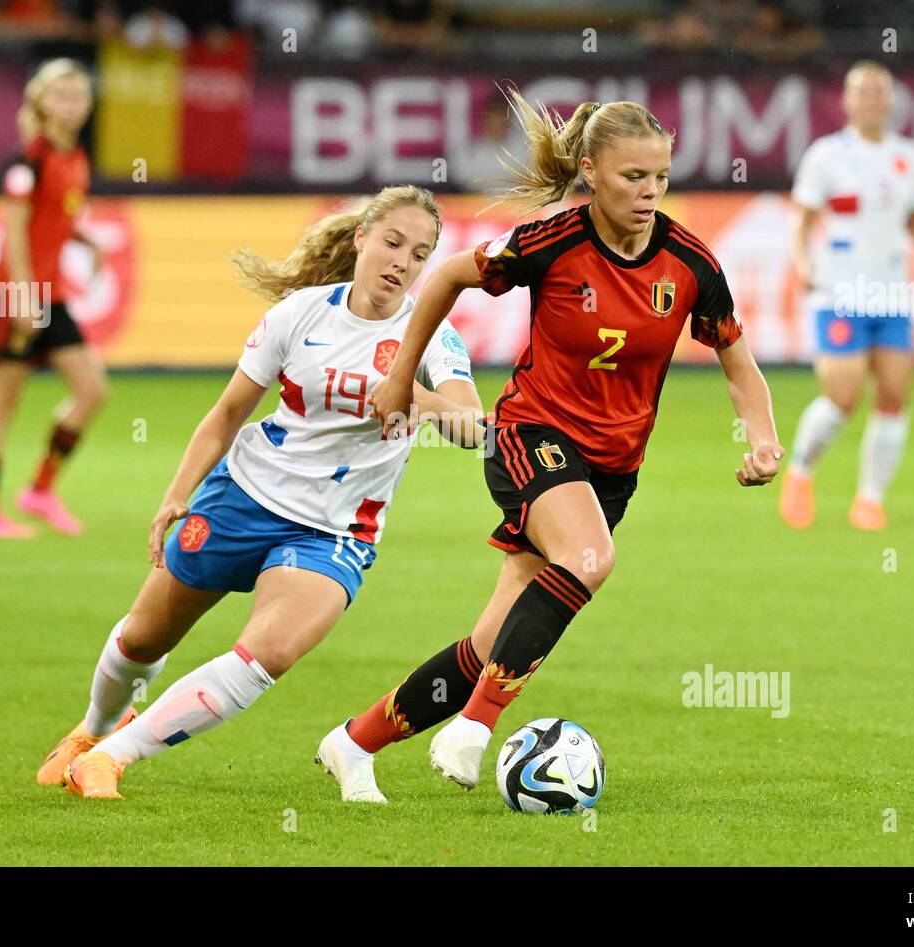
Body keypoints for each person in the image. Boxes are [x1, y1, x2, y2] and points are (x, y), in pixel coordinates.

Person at [322, 92, 784, 801]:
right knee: (590, 559)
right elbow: (447, 276)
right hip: (530, 436)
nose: (650, 192)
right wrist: (400, 374)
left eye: (660, 177)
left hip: (611, 471)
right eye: (633, 177)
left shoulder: (689, 262)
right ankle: (475, 728)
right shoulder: (553, 241)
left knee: (489, 646)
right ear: (592, 171)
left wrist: (763, 439)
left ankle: (354, 742)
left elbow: (736, 357)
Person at [40, 185, 486, 800]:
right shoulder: (300, 313)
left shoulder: (431, 336)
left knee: (268, 653)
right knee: (144, 638)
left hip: (335, 531)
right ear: (360, 239)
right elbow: (227, 414)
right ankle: (91, 732)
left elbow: (473, 428)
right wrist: (178, 493)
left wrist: (417, 395)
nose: (401, 263)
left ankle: (110, 759)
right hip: (244, 495)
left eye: (419, 254)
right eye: (391, 243)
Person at [779, 60, 914, 531]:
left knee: (893, 394)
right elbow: (802, 221)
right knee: (843, 395)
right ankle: (802, 470)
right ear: (847, 101)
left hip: (890, 293)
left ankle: (869, 500)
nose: (871, 99)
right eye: (862, 92)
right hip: (839, 291)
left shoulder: (910, 156)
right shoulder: (826, 155)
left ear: (891, 100)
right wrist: (803, 262)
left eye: (879, 92)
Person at [0, 58, 107, 538]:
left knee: (92, 391)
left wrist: (89, 243)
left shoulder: (74, 157)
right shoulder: (29, 159)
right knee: (1, 406)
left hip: (52, 295)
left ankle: (39, 490)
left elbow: (55, 222)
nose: (71, 104)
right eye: (61, 96)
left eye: (78, 96)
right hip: (14, 297)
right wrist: (24, 297)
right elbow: (15, 234)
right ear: (41, 102)